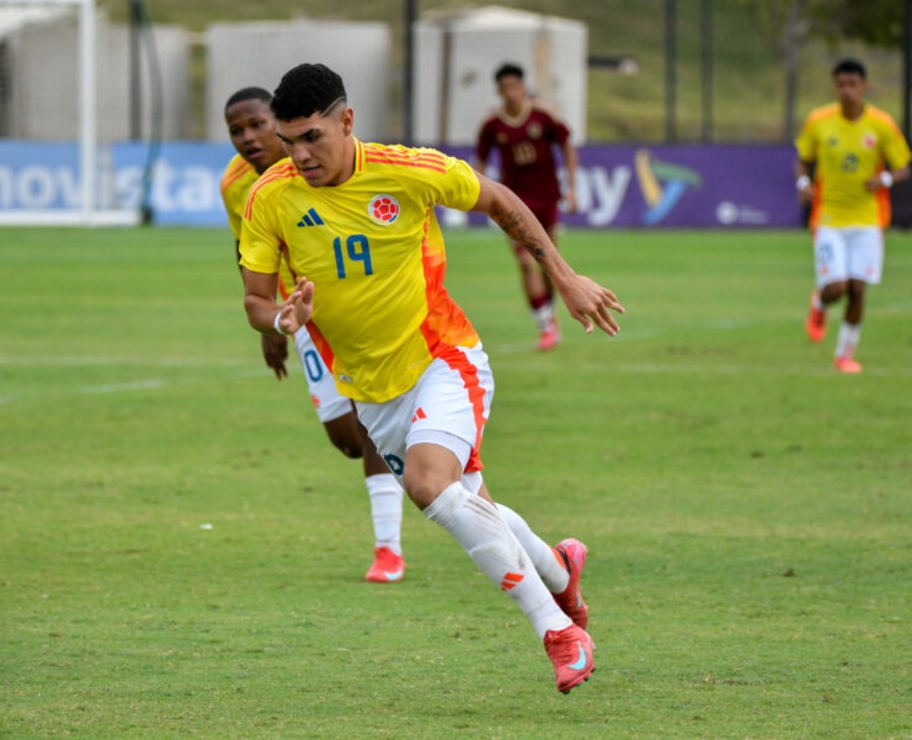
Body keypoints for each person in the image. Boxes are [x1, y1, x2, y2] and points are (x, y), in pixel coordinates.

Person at [238, 63, 623, 695]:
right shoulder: (270, 198)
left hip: (444, 356)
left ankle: (558, 630)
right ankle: (559, 569)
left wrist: (564, 276)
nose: (299, 155)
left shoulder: (408, 170)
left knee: (428, 484)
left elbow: (500, 200)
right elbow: (254, 299)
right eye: (289, 141)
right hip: (370, 389)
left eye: (312, 137)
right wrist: (281, 318)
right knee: (474, 503)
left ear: (346, 121)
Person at [220, 86, 409, 583]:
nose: (249, 138)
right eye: (237, 131)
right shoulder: (236, 186)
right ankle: (420, 448)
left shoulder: (325, 166)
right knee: (346, 438)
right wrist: (269, 326)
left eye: (258, 125)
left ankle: (388, 549)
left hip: (356, 310)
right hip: (297, 317)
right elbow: (245, 253)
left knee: (369, 422)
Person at [796, 58, 912, 374]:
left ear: (864, 86)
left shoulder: (881, 124)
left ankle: (845, 354)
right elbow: (803, 160)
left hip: (868, 219)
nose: (847, 91)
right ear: (835, 86)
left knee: (858, 288)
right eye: (841, 84)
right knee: (837, 289)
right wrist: (803, 183)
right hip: (829, 219)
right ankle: (820, 303)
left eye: (853, 84)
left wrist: (885, 179)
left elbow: (903, 167)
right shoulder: (819, 121)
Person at [473, 63, 580, 352]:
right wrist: (476, 194)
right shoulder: (491, 124)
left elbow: (567, 146)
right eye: (504, 88)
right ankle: (545, 325)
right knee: (525, 260)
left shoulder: (543, 115)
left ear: (522, 87)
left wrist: (572, 188)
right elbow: (479, 162)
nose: (510, 93)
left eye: (514, 87)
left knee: (549, 262)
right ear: (498, 91)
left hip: (547, 198)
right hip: (512, 202)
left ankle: (551, 313)